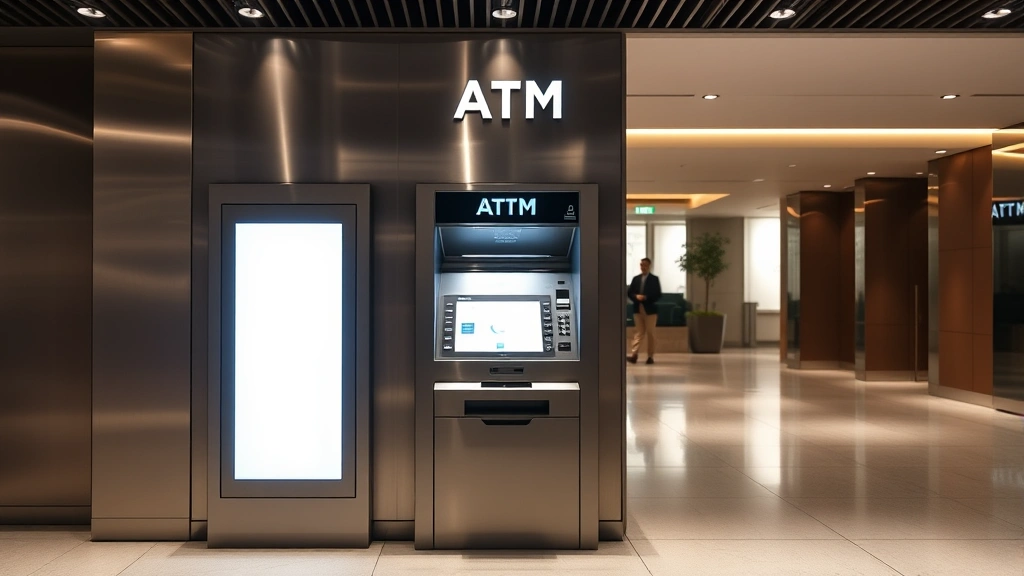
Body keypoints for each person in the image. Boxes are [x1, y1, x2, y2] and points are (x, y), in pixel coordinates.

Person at [627, 257, 662, 364]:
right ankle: (634, 354)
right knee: (639, 332)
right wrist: (636, 297)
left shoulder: (654, 279)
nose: (643, 267)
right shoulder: (636, 279)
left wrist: (646, 297)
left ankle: (650, 356)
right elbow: (629, 293)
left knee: (650, 332)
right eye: (641, 265)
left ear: (649, 266)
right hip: (638, 308)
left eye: (645, 265)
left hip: (650, 310)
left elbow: (658, 294)